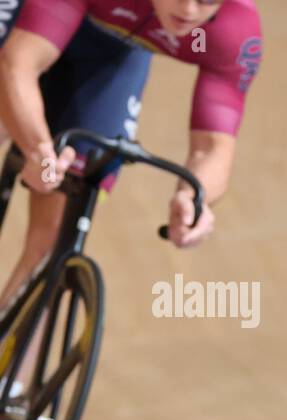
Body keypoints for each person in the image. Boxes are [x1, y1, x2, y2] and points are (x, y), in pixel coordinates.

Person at [0, 0, 263, 336]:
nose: (189, 9)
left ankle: (12, 378)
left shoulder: (233, 28)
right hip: (40, 16)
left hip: (111, 53)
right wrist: (37, 148)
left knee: (58, 234)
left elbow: (213, 148)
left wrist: (195, 199)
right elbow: (17, 66)